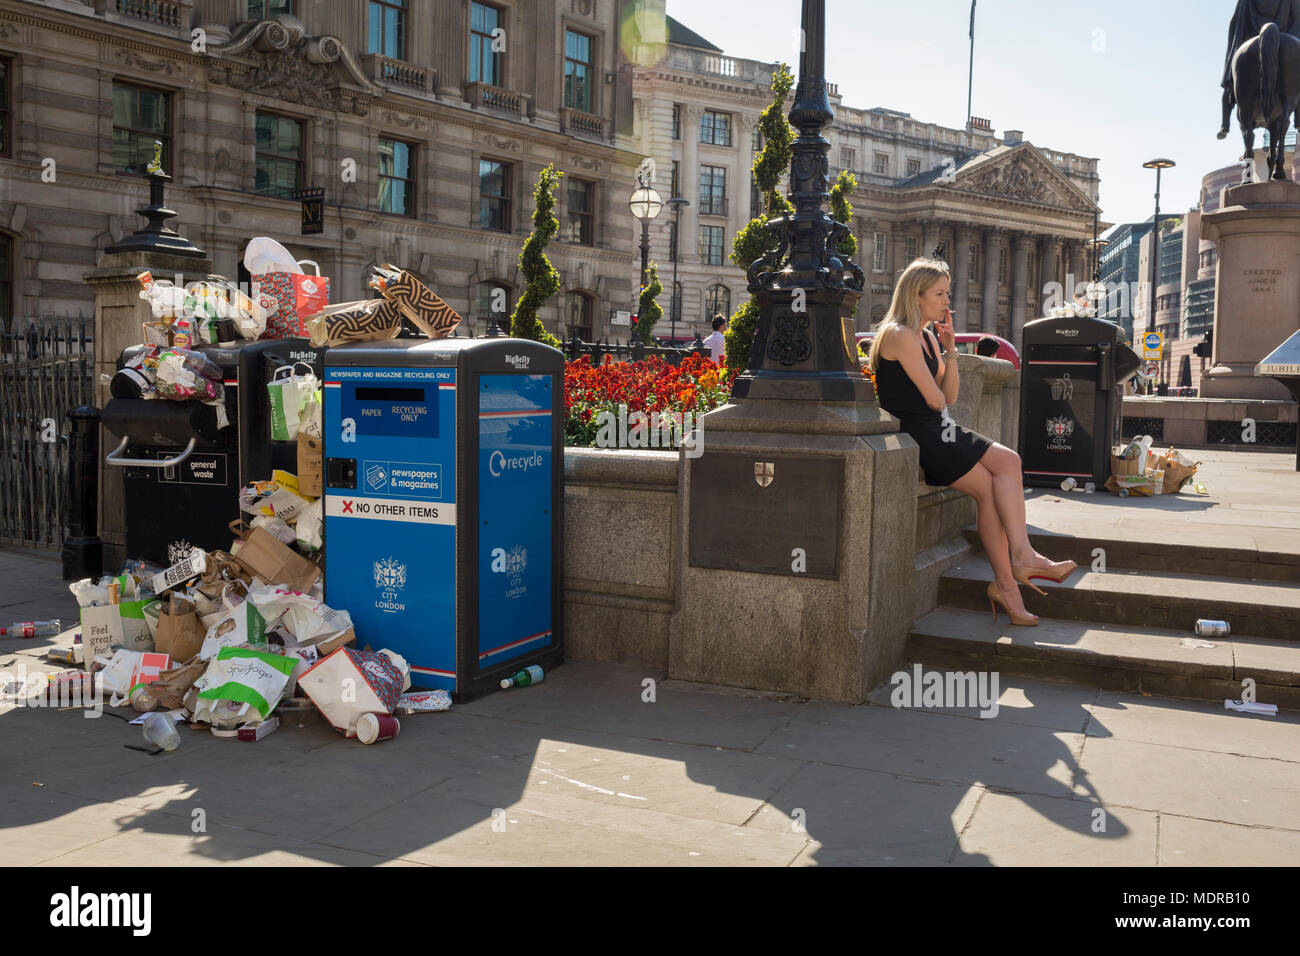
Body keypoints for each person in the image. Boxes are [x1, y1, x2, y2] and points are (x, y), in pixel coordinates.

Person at [867, 258, 1077, 627]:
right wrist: (939, 385)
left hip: (939, 427)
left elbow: (947, 397)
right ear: (916, 296)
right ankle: (1019, 564)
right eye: (940, 293)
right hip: (919, 434)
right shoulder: (898, 334)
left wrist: (949, 349)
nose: (948, 301)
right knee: (1005, 467)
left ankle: (1009, 582)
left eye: (947, 292)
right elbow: (933, 401)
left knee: (998, 478)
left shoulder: (929, 336)